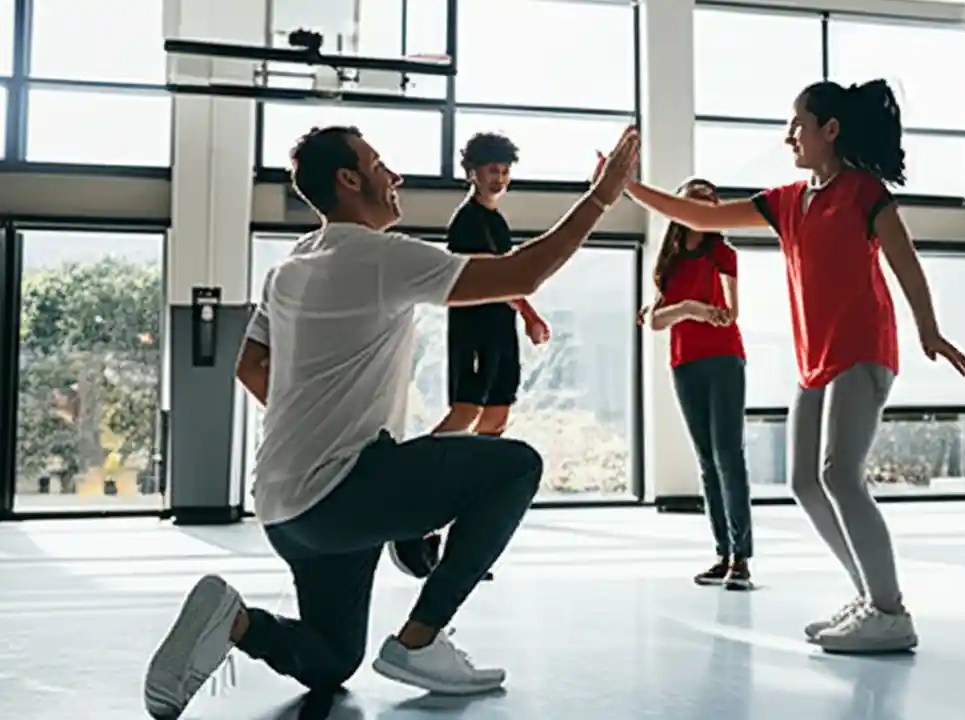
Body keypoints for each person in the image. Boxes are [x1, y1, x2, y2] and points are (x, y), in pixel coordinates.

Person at [142, 124, 639, 718]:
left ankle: (236, 620)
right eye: (380, 165)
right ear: (349, 179)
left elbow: (250, 367)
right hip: (342, 493)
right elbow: (522, 275)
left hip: (281, 509)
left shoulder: (290, 266)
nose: (394, 176)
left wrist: (315, 419)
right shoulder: (380, 255)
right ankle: (421, 639)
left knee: (332, 660)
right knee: (515, 466)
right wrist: (603, 197)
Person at [622, 79, 965, 654]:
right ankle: (870, 598)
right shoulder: (788, 199)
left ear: (829, 130)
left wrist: (928, 329)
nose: (789, 135)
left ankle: (891, 611)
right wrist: (630, 189)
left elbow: (904, 261)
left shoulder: (864, 191)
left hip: (862, 347)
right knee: (803, 481)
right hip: (815, 357)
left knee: (839, 475)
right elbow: (700, 217)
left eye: (797, 124)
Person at [388, 132, 549, 582]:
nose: (498, 177)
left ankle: (467, 539)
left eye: (503, 171)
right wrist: (528, 308)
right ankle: (408, 501)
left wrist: (530, 316)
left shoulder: (499, 223)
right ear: (472, 173)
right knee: (466, 412)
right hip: (473, 331)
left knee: (495, 420)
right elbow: (482, 277)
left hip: (502, 331)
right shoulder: (467, 221)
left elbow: (511, 279)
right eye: (490, 170)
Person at [637, 177, 754, 591]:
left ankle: (742, 558)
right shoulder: (668, 261)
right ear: (679, 210)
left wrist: (698, 312)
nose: (702, 211)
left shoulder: (723, 253)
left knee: (728, 454)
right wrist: (688, 308)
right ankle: (722, 554)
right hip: (684, 363)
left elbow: (730, 310)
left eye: (709, 204)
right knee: (706, 460)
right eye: (694, 203)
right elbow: (653, 321)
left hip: (724, 359)